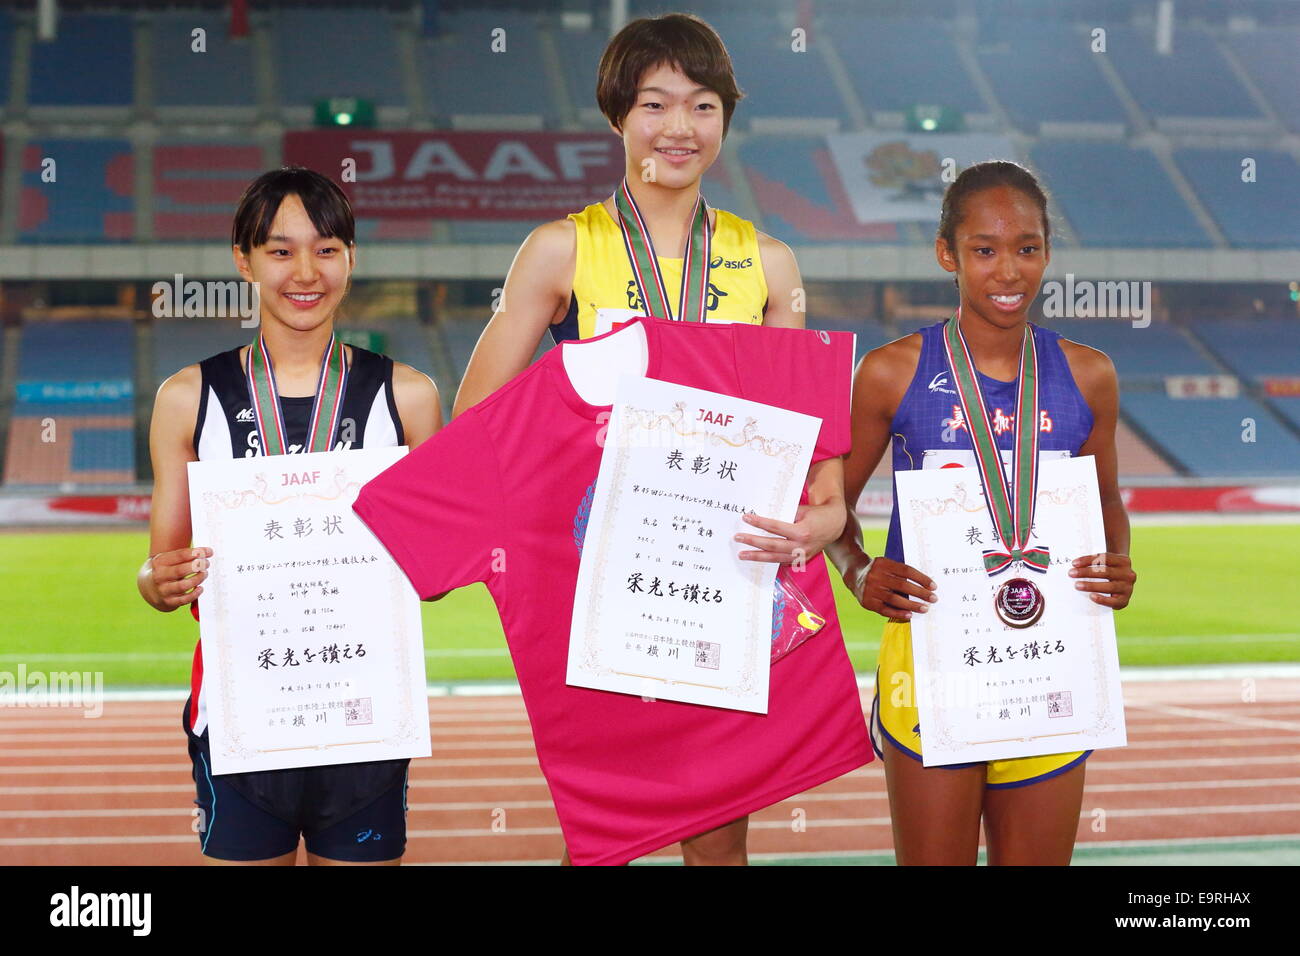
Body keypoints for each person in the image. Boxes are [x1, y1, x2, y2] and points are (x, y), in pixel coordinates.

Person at [451, 13, 848, 865]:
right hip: (602, 574)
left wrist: (828, 509)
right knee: (606, 837)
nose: (679, 128)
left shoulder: (768, 261)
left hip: (725, 577)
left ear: (725, 120)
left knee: (719, 844)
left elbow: (814, 437)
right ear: (617, 116)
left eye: (703, 106)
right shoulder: (561, 249)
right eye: (655, 104)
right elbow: (476, 419)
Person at [826, 161, 1137, 865]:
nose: (1008, 271)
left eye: (1027, 248)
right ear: (948, 254)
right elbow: (829, 508)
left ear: (1047, 253)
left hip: (1048, 658)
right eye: (985, 249)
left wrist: (1117, 563)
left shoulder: (1089, 374)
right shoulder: (891, 371)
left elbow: (1106, 502)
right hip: (933, 657)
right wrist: (858, 570)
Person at [137, 167, 440, 865]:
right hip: (243, 712)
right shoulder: (188, 398)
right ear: (242, 260)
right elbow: (160, 571)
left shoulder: (409, 398)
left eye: (327, 249)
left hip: (366, 711)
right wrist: (159, 582)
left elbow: (436, 575)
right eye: (279, 251)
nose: (305, 271)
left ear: (351, 258)